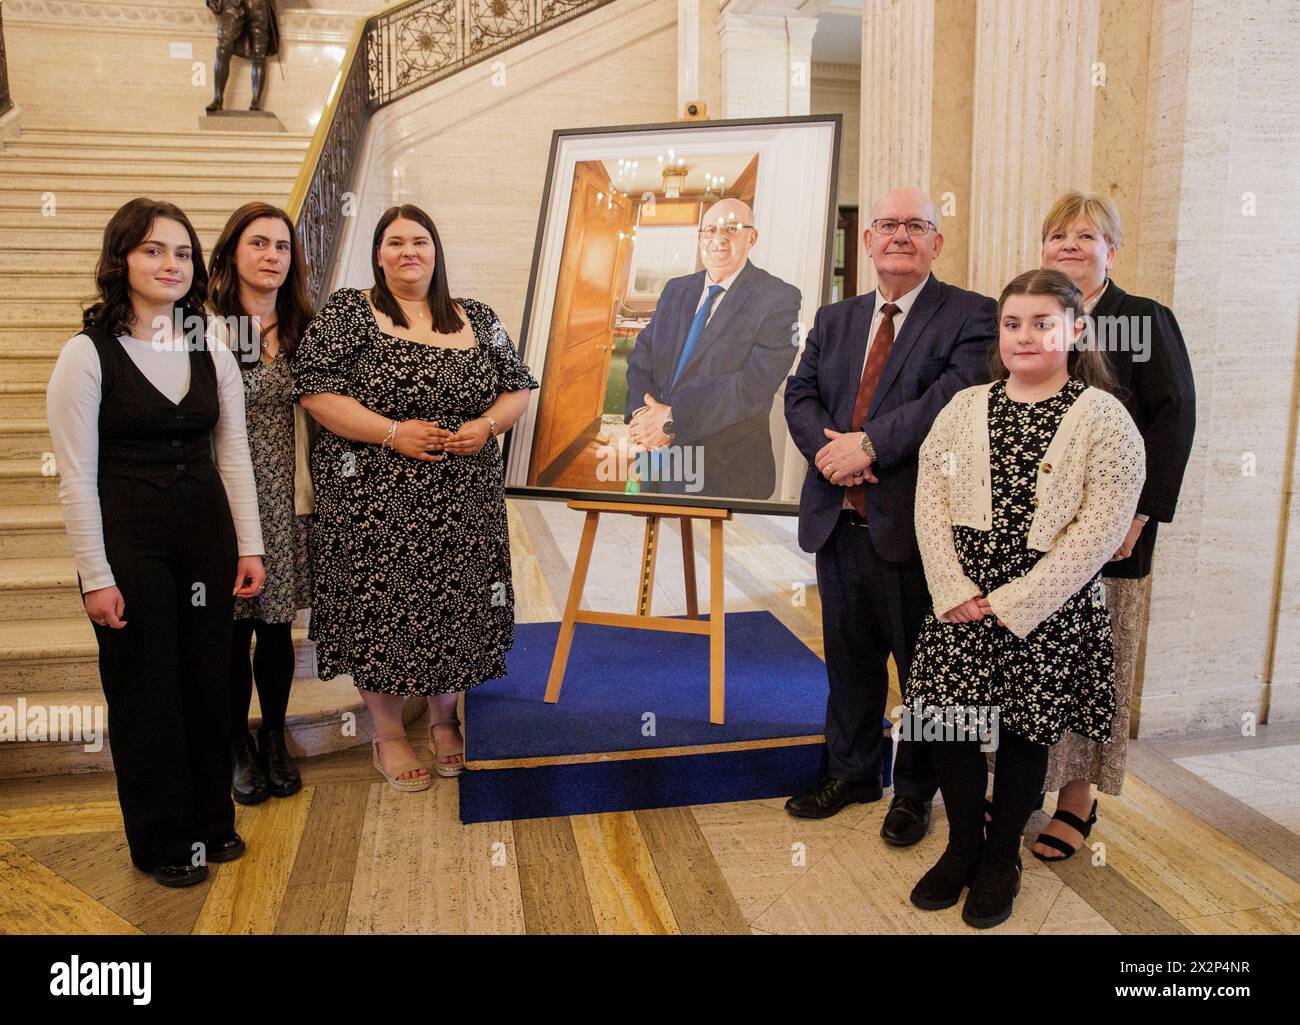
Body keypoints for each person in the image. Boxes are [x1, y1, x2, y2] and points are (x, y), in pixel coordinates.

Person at [907, 269, 1145, 928]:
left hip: (1047, 602)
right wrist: (951, 586)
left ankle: (1001, 857)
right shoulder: (965, 408)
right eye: (1013, 323)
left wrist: (1018, 599)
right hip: (961, 594)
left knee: (1022, 728)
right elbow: (931, 496)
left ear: (1073, 330)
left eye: (1042, 322)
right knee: (946, 723)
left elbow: (1099, 528)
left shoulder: (1103, 416)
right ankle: (961, 845)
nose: (1025, 335)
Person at [46, 197, 266, 887]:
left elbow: (234, 455)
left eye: (180, 252)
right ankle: (163, 839)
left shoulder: (213, 344)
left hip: (206, 535)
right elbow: (76, 478)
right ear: (123, 260)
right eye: (152, 250)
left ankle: (211, 824)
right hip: (131, 541)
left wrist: (251, 547)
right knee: (147, 691)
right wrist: (94, 575)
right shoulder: (85, 355)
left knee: (207, 683)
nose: (169, 264)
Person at [294, 204, 537, 790]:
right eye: (395, 242)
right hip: (374, 500)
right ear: (378, 254)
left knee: (456, 604)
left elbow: (519, 386)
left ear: (436, 251)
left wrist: (488, 426)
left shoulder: (474, 315)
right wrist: (393, 432)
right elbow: (314, 391)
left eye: (420, 241)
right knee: (385, 609)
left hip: (463, 499)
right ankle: (387, 731)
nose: (409, 252)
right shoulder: (351, 313)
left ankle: (444, 718)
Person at [782, 187, 997, 843]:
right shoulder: (836, 316)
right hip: (837, 522)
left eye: (916, 225)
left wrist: (870, 445)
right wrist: (831, 452)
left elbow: (953, 397)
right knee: (848, 662)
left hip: (915, 529)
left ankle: (913, 793)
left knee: (923, 671)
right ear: (869, 240)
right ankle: (851, 772)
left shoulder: (972, 314)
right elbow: (801, 392)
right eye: (888, 224)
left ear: (937, 242)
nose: (900, 234)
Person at [1032, 191, 1196, 859]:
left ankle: (1077, 799)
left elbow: (1173, 419)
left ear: (1111, 252)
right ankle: (1022, 783)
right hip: (1038, 534)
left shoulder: (1142, 318)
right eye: (1057, 235)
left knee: (1092, 670)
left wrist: (1137, 515)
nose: (1068, 245)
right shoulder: (1032, 315)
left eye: (1084, 235)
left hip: (1112, 533)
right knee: (1030, 664)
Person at [208, 202, 315, 805]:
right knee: (230, 633)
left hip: (290, 497)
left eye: (282, 246)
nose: (273, 255)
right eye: (259, 244)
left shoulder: (305, 327)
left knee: (276, 629)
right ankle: (234, 744)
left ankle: (273, 739)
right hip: (228, 499)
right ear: (232, 253)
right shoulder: (204, 327)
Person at [625, 198, 802, 499]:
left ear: (751, 237)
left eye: (731, 229)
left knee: (706, 548)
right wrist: (643, 415)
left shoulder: (778, 298)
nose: (719, 239)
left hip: (724, 470)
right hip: (657, 458)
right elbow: (643, 355)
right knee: (652, 541)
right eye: (710, 230)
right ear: (700, 238)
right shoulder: (676, 289)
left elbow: (753, 386)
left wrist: (672, 419)